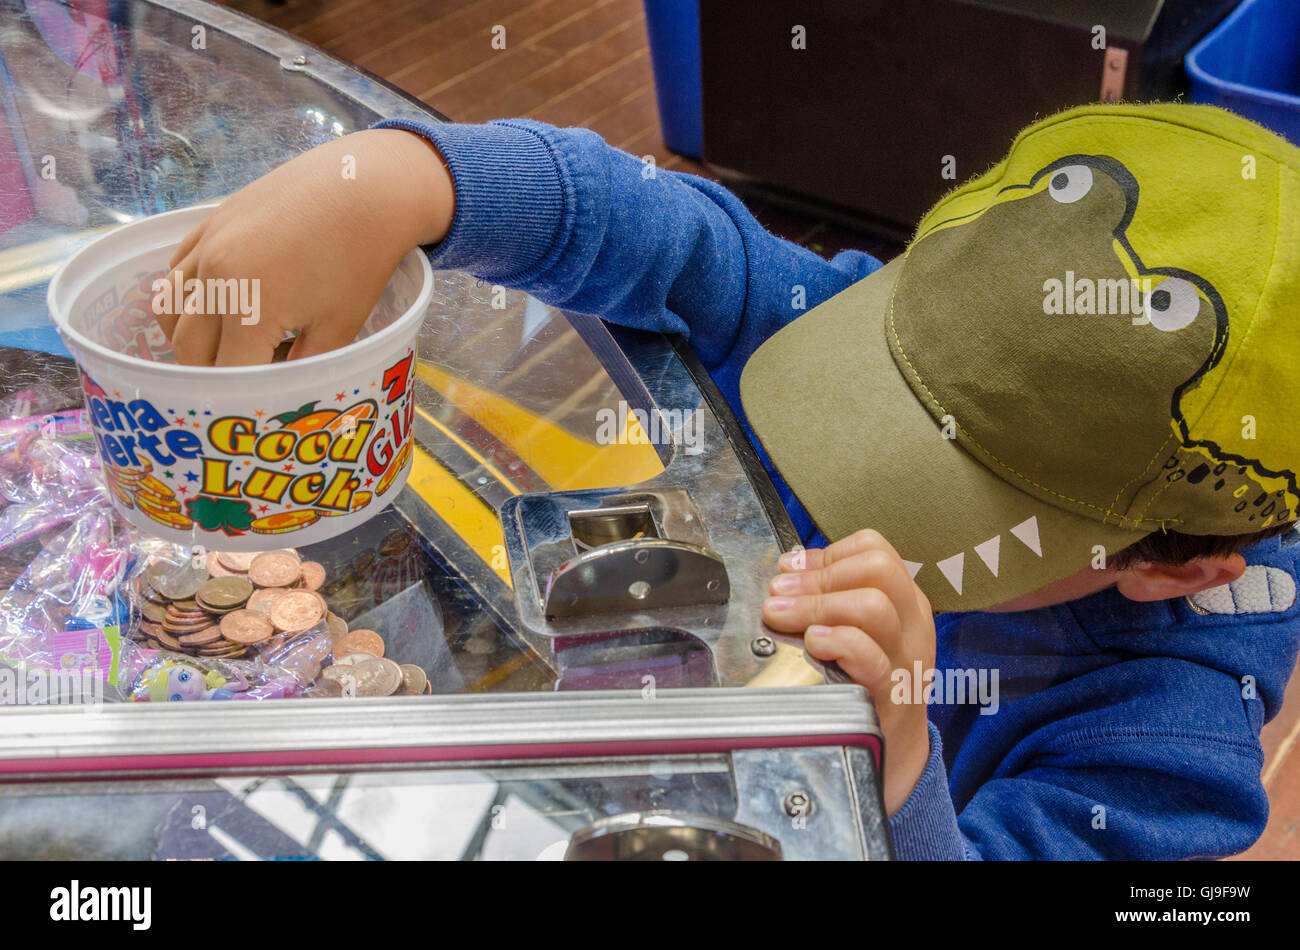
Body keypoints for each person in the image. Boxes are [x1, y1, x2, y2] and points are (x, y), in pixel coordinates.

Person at [157, 102, 1300, 859]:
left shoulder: (1170, 754)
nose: (858, 487)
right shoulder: (908, 315)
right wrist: (396, 182)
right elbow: (666, 234)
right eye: (878, 391)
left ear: (1177, 569)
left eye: (941, 490)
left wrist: (899, 762)